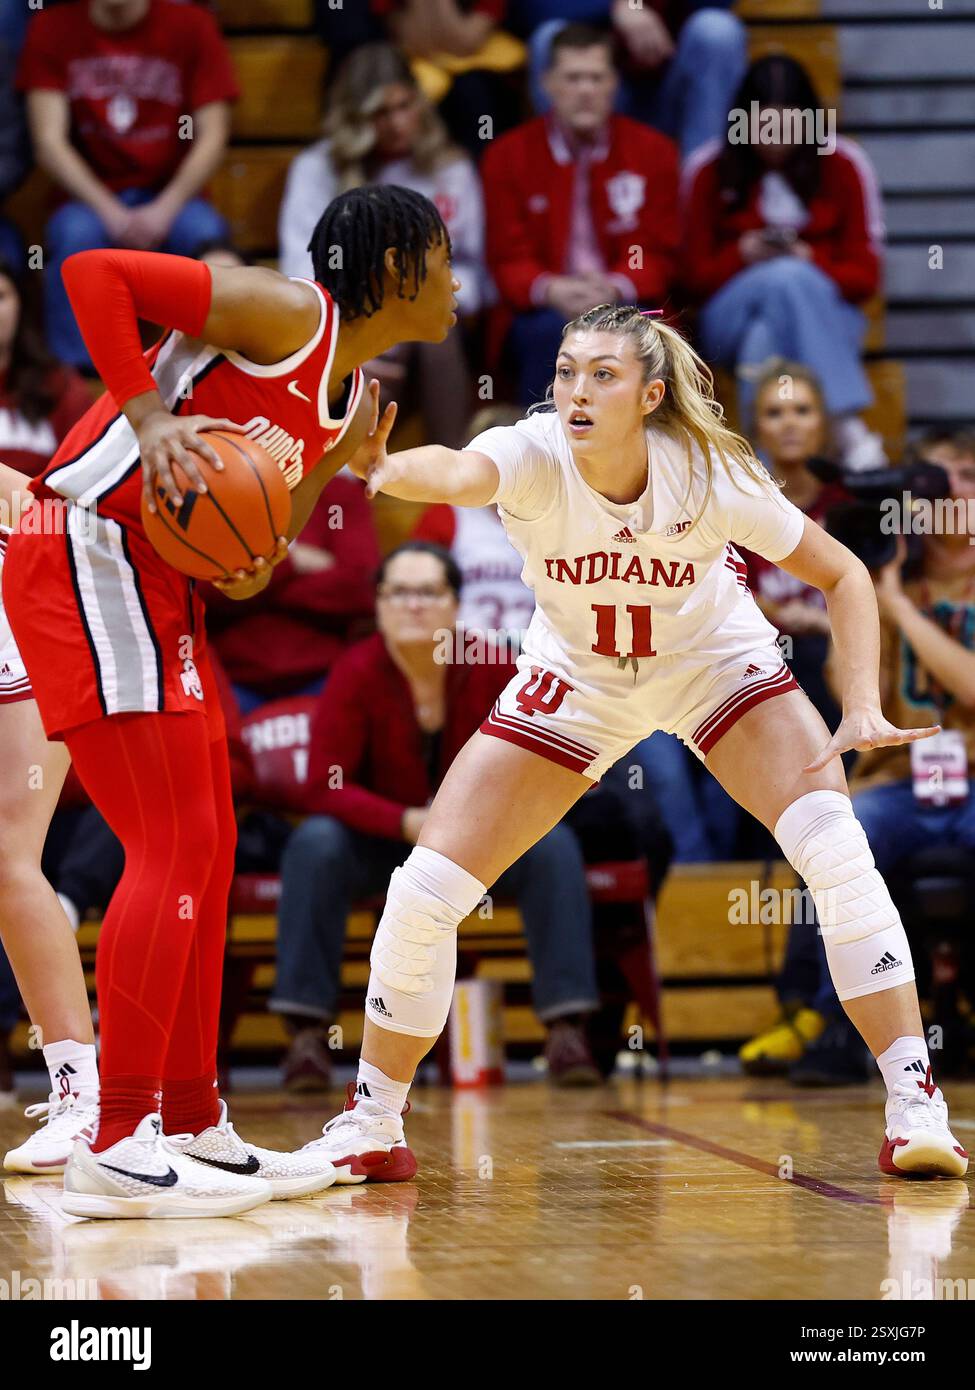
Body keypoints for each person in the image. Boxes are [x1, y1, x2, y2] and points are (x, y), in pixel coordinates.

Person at [299, 303, 967, 1184]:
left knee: (838, 855)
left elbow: (842, 571)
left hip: (712, 665)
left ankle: (914, 1107)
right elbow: (457, 470)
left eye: (601, 375)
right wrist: (385, 468)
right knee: (423, 889)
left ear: (650, 394)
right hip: (579, 678)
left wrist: (859, 704)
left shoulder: (709, 472)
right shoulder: (532, 452)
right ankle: (373, 1121)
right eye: (566, 370)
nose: (575, 389)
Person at [2, 183, 461, 1217]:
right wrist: (148, 411)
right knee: (170, 844)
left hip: (162, 584)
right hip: (85, 545)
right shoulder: (286, 315)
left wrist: (331, 469)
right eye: (442, 256)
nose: (458, 276)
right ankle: (117, 1136)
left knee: (205, 848)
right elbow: (91, 273)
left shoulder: (342, 395)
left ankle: (193, 1115)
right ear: (394, 271)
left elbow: (249, 566)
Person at [272, 541, 600, 1091]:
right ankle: (307, 1036)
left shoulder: (492, 662)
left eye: (428, 592)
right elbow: (324, 788)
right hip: (382, 844)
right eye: (398, 592)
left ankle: (567, 1029)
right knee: (316, 844)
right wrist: (403, 821)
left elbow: (534, 762)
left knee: (553, 846)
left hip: (474, 845)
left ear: (455, 603)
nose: (413, 605)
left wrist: (473, 823)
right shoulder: (355, 671)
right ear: (378, 604)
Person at [777, 429, 975, 1086]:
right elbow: (845, 687)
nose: (953, 494)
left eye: (968, 478)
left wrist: (897, 609)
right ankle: (830, 1021)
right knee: (835, 834)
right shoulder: (889, 573)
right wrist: (858, 586)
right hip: (899, 781)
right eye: (939, 480)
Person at [0, 258, 100, 1173]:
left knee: (7, 861)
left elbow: (46, 527)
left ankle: (82, 1088)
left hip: (20, 639)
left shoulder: (21, 475)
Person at [681, 55, 886, 470]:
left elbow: (866, 277)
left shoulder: (845, 163)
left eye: (788, 129)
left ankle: (763, 473)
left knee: (765, 336)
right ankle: (847, 424)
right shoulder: (708, 168)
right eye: (763, 129)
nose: (775, 141)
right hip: (728, 319)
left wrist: (811, 259)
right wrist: (742, 255)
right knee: (781, 278)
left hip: (830, 317)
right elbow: (689, 276)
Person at [279, 43, 481, 449]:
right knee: (365, 359)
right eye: (379, 113)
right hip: (344, 327)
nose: (396, 123)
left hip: (430, 326)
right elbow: (299, 274)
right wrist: (365, 330)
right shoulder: (317, 168)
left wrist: (403, 313)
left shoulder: (450, 168)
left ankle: (456, 484)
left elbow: (473, 275)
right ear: (353, 117)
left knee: (438, 338)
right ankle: (350, 486)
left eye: (405, 106)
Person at [16, 0, 238, 370]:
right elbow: (49, 143)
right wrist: (110, 211)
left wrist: (164, 209)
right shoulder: (51, 27)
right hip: (91, 196)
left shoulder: (192, 25)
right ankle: (79, 378)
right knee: (74, 236)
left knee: (207, 234)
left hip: (172, 195)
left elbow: (213, 137)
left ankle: (213, 368)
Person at [482, 23, 679, 406]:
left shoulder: (655, 152)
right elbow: (506, 258)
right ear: (547, 84)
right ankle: (543, 457)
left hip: (629, 301)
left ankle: (641, 457)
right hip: (543, 308)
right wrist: (551, 288)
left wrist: (615, 286)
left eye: (596, 77)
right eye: (573, 78)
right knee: (550, 335)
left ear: (614, 84)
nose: (585, 90)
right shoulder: (507, 157)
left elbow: (661, 252)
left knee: (643, 335)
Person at [201, 471, 380, 712]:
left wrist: (255, 578)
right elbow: (203, 594)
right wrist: (292, 564)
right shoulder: (217, 495)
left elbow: (360, 590)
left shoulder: (336, 495)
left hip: (324, 674)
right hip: (234, 678)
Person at [523, 2, 747, 161]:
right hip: (604, 83)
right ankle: (564, 179)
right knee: (549, 37)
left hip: (677, 87)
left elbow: (719, 2)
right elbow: (533, 7)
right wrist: (618, 5)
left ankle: (698, 186)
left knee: (717, 31)